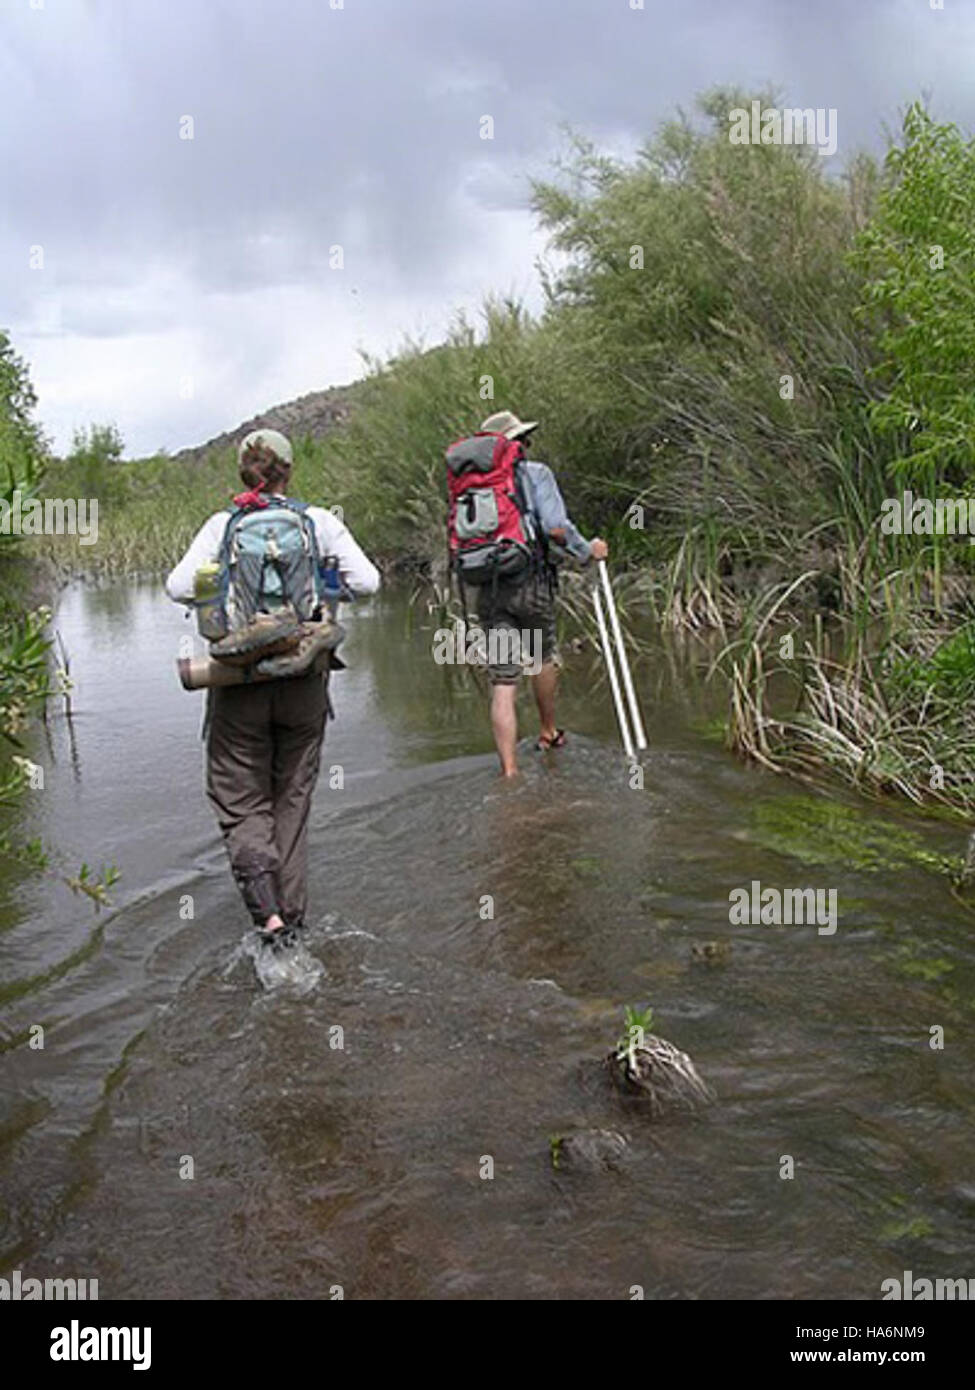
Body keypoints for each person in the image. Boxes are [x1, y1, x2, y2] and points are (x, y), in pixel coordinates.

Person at [165, 428, 380, 946]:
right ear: (289, 470)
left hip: (237, 681)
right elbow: (369, 582)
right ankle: (295, 919)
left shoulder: (223, 525)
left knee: (241, 800)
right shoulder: (318, 521)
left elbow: (176, 586)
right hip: (304, 679)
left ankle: (268, 918)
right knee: (292, 799)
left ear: (244, 472)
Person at [473, 410, 608, 777]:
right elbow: (556, 529)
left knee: (503, 679)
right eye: (524, 440)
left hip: (488, 587)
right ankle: (548, 731)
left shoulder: (471, 488)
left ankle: (510, 771)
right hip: (530, 582)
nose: (529, 446)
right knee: (541, 655)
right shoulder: (536, 474)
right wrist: (587, 550)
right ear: (515, 445)